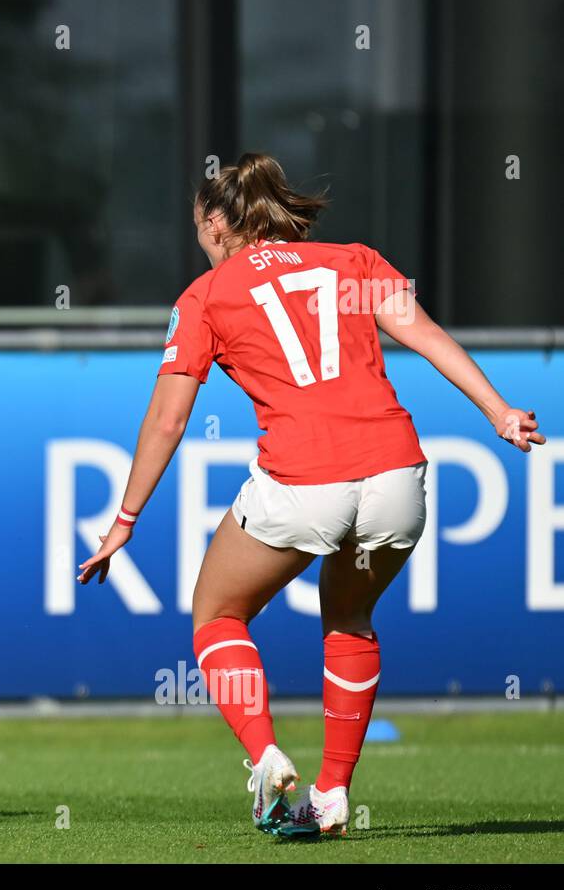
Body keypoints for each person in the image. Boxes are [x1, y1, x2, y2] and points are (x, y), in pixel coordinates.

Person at [77, 153, 545, 837]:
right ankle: (331, 793)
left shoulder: (206, 297)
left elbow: (169, 419)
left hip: (306, 480)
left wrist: (124, 520)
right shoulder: (352, 260)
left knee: (217, 614)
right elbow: (425, 334)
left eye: (199, 230)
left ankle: (265, 753)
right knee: (350, 617)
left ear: (215, 223)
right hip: (395, 474)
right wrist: (498, 410)